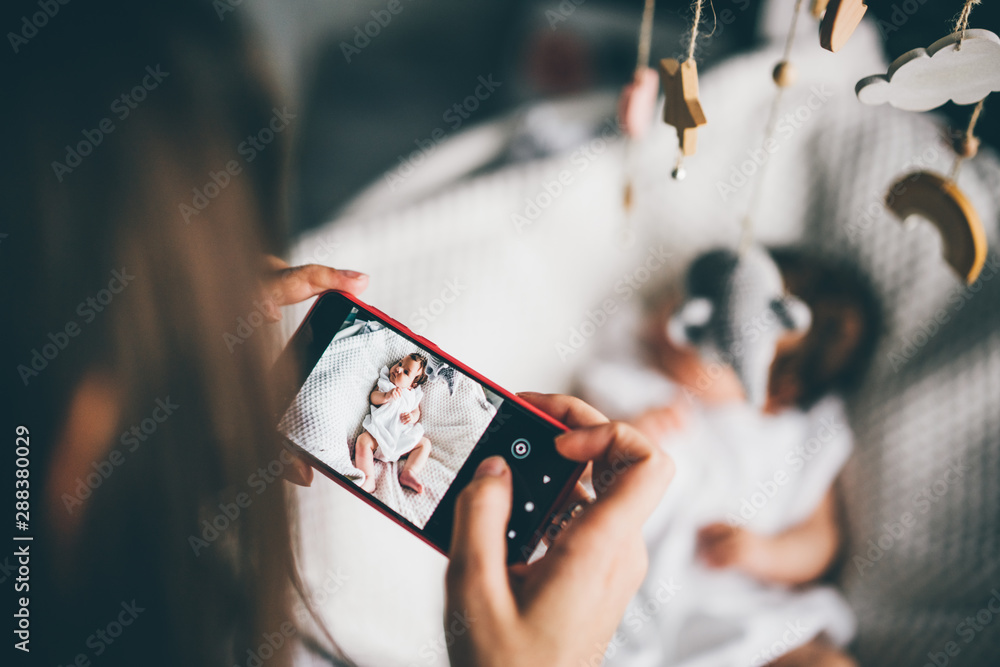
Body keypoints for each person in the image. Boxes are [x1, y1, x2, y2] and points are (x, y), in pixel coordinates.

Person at [2, 1, 672, 666]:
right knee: (395, 461)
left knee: (407, 460)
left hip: (385, 437)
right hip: (380, 437)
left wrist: (168, 418)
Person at [577, 249, 880, 667]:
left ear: (777, 390)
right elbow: (576, 460)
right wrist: (629, 434)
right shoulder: (635, 377)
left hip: (745, 609)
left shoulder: (794, 436)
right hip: (634, 601)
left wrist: (767, 553)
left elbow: (822, 540)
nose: (677, 318)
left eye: (713, 337)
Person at [354, 354, 432, 493]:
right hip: (378, 436)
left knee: (425, 444)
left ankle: (409, 472)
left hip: (402, 438)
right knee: (363, 440)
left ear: (412, 384)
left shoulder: (413, 394)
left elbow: (417, 412)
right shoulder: (386, 384)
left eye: (406, 372)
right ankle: (368, 478)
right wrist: (386, 396)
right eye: (400, 363)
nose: (399, 369)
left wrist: (412, 417)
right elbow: (373, 397)